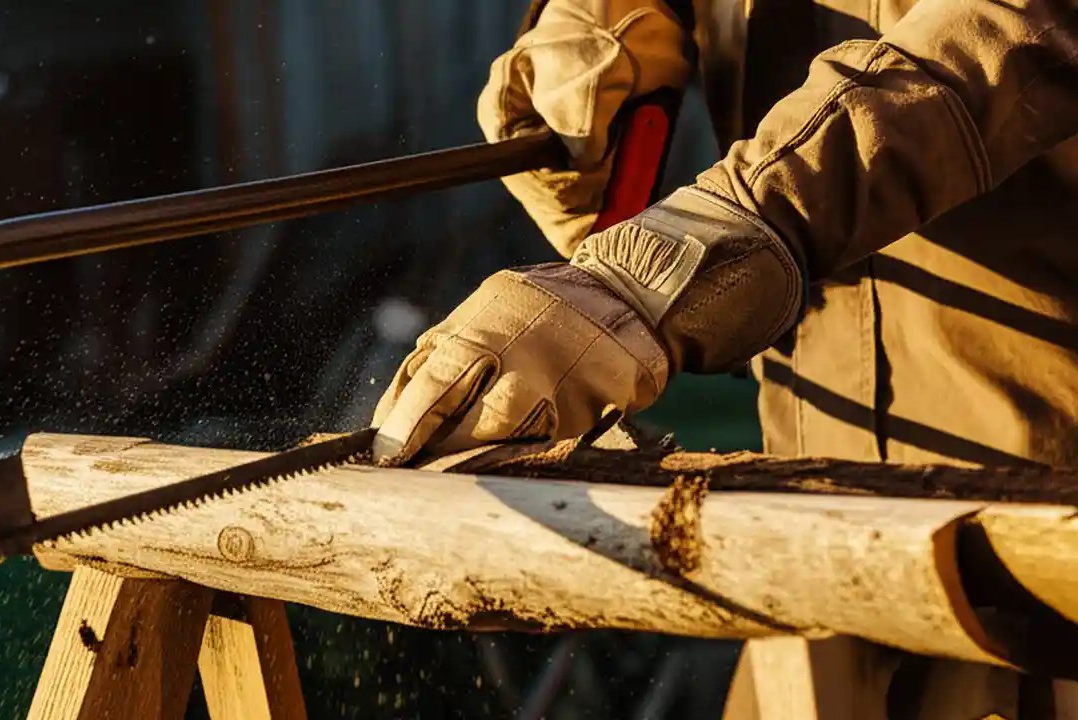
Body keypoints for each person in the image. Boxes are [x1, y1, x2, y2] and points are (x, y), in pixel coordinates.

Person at [371, 0, 1078, 715]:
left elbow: (1006, 31)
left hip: (1040, 555)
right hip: (816, 537)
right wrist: (608, 20)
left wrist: (678, 254)